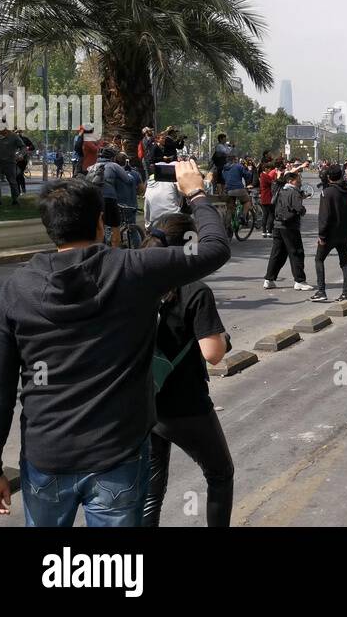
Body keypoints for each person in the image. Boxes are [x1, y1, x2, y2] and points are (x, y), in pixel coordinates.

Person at [0, 161, 230, 526]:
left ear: (50, 227)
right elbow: (214, 248)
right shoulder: (133, 270)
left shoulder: (17, 289)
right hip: (117, 456)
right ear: (102, 222)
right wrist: (195, 192)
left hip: (46, 457)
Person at [139, 213, 234, 527]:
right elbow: (213, 354)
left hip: (143, 402)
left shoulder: (134, 279)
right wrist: (222, 337)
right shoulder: (194, 290)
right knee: (220, 473)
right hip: (186, 405)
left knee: (152, 489)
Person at [311, 165, 347, 303]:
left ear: (329, 177)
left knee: (319, 259)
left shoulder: (327, 192)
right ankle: (345, 293)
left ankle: (321, 291)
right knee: (344, 263)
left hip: (330, 234)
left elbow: (324, 216)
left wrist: (322, 236)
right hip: (345, 233)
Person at [263, 171, 313, 291]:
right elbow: (299, 208)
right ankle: (299, 280)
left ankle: (269, 279)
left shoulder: (280, 190)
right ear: (290, 181)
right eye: (297, 179)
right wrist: (303, 209)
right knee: (296, 252)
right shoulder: (293, 192)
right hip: (290, 227)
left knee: (277, 254)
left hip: (277, 226)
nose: (299, 181)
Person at [0, 120, 26, 206]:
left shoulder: (13, 136)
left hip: (10, 162)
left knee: (12, 181)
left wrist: (21, 154)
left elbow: (23, 147)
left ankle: (16, 199)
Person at [223, 155, 253, 219]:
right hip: (238, 188)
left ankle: (227, 225)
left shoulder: (224, 169)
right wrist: (249, 169)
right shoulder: (238, 166)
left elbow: (224, 178)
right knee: (247, 202)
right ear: (234, 160)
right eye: (236, 160)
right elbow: (247, 176)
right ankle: (243, 216)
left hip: (228, 189)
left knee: (230, 208)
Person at [258, 158, 280, 237]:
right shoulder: (265, 176)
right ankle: (269, 231)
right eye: (269, 169)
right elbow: (273, 182)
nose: (270, 171)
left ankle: (264, 231)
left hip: (264, 197)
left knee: (265, 215)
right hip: (268, 197)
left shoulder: (262, 175)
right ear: (266, 169)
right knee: (271, 215)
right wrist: (278, 176)